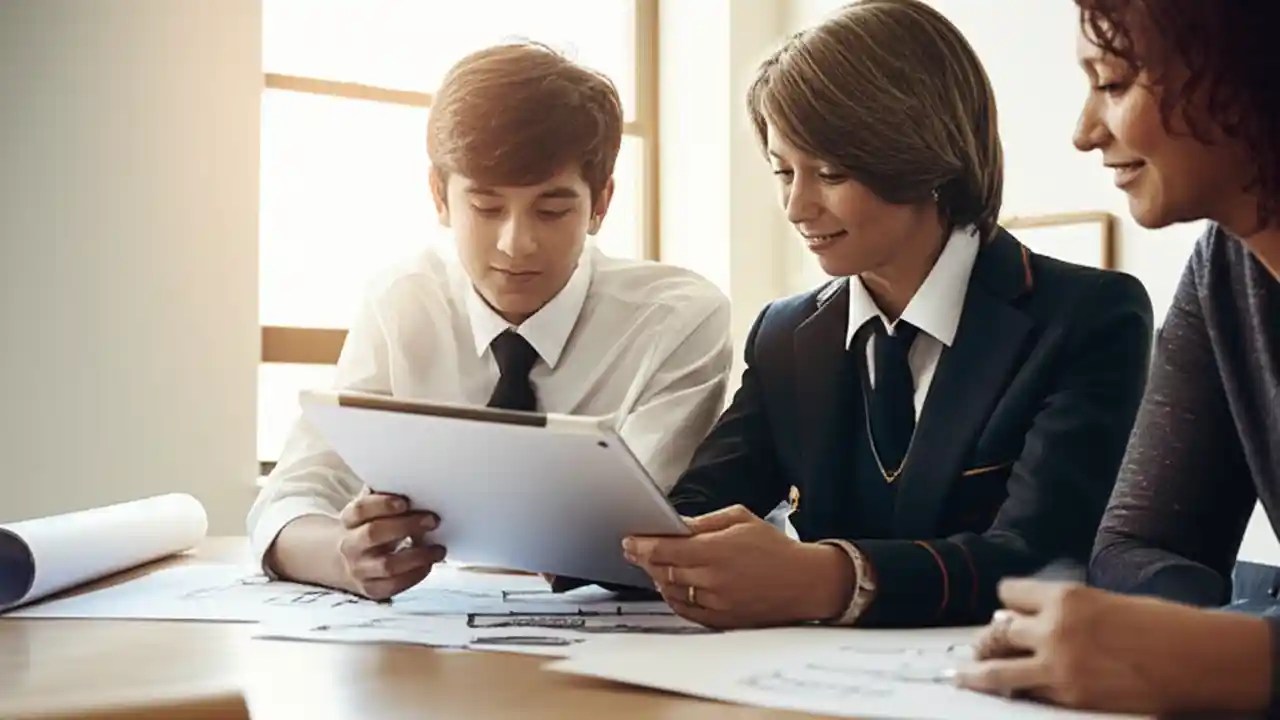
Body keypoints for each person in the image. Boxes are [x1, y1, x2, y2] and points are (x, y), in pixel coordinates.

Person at [620, 0, 1153, 630]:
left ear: (924, 159)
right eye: (782, 172)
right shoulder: (787, 335)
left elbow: (1040, 557)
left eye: (830, 173)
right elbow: (696, 503)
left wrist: (827, 578)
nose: (796, 206)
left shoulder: (1090, 316)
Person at [247, 42, 732, 601]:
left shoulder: (677, 319)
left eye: (552, 211)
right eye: (486, 208)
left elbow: (627, 529)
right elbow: (292, 497)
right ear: (440, 195)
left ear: (601, 203)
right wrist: (344, 556)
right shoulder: (402, 304)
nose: (515, 244)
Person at [958, 1, 1280, 714]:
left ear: (1248, 69)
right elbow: (1134, 544)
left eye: (1112, 83)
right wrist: (1158, 627)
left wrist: (1233, 656)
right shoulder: (1227, 272)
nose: (1083, 132)